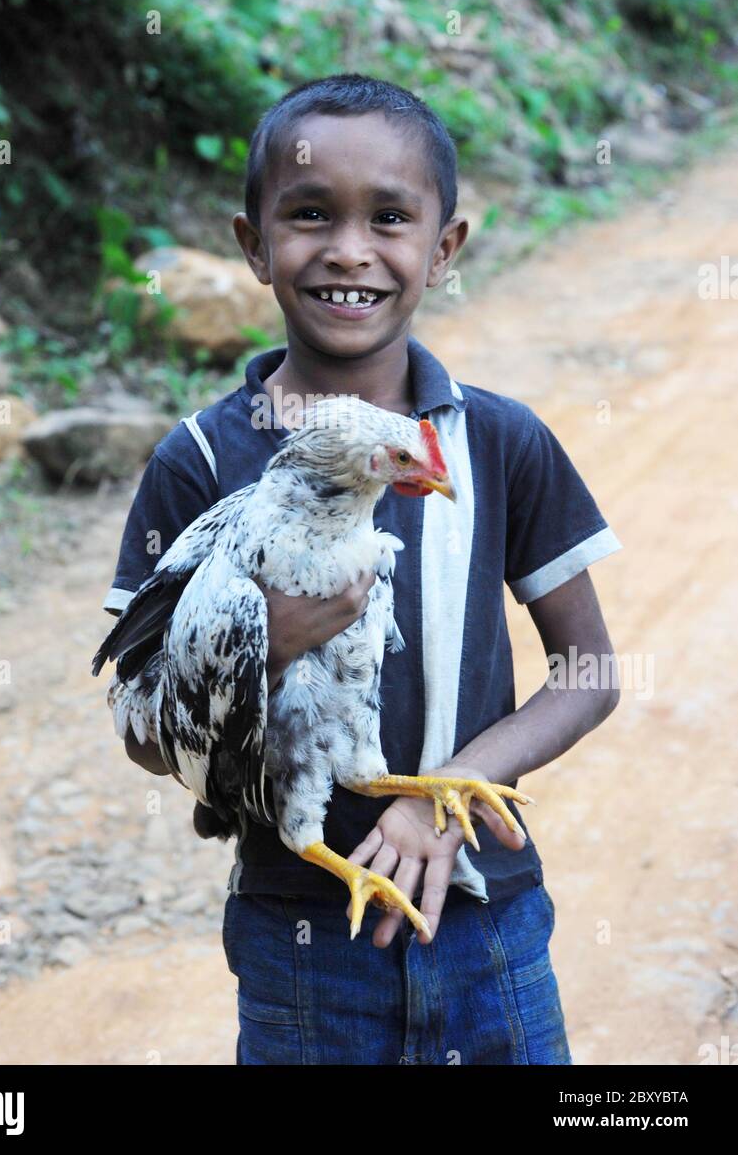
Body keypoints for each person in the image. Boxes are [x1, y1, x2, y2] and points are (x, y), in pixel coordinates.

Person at [104, 73, 622, 1065]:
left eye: (389, 216)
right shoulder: (204, 461)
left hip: (486, 922)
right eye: (308, 215)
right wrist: (261, 644)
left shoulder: (497, 443)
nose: (348, 250)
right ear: (253, 243)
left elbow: (590, 671)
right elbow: (139, 720)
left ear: (444, 247)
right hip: (302, 942)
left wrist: (453, 787)